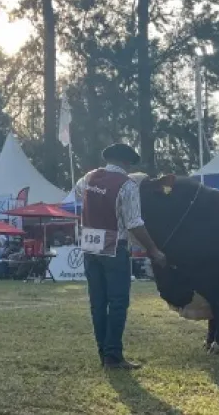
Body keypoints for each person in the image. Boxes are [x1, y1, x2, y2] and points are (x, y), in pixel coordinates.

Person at [74, 143, 167, 370]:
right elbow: (134, 223)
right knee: (117, 302)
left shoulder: (89, 178)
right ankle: (113, 356)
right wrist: (153, 250)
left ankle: (103, 353)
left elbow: (78, 192)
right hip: (114, 246)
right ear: (126, 163)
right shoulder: (127, 185)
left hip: (89, 245)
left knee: (97, 303)